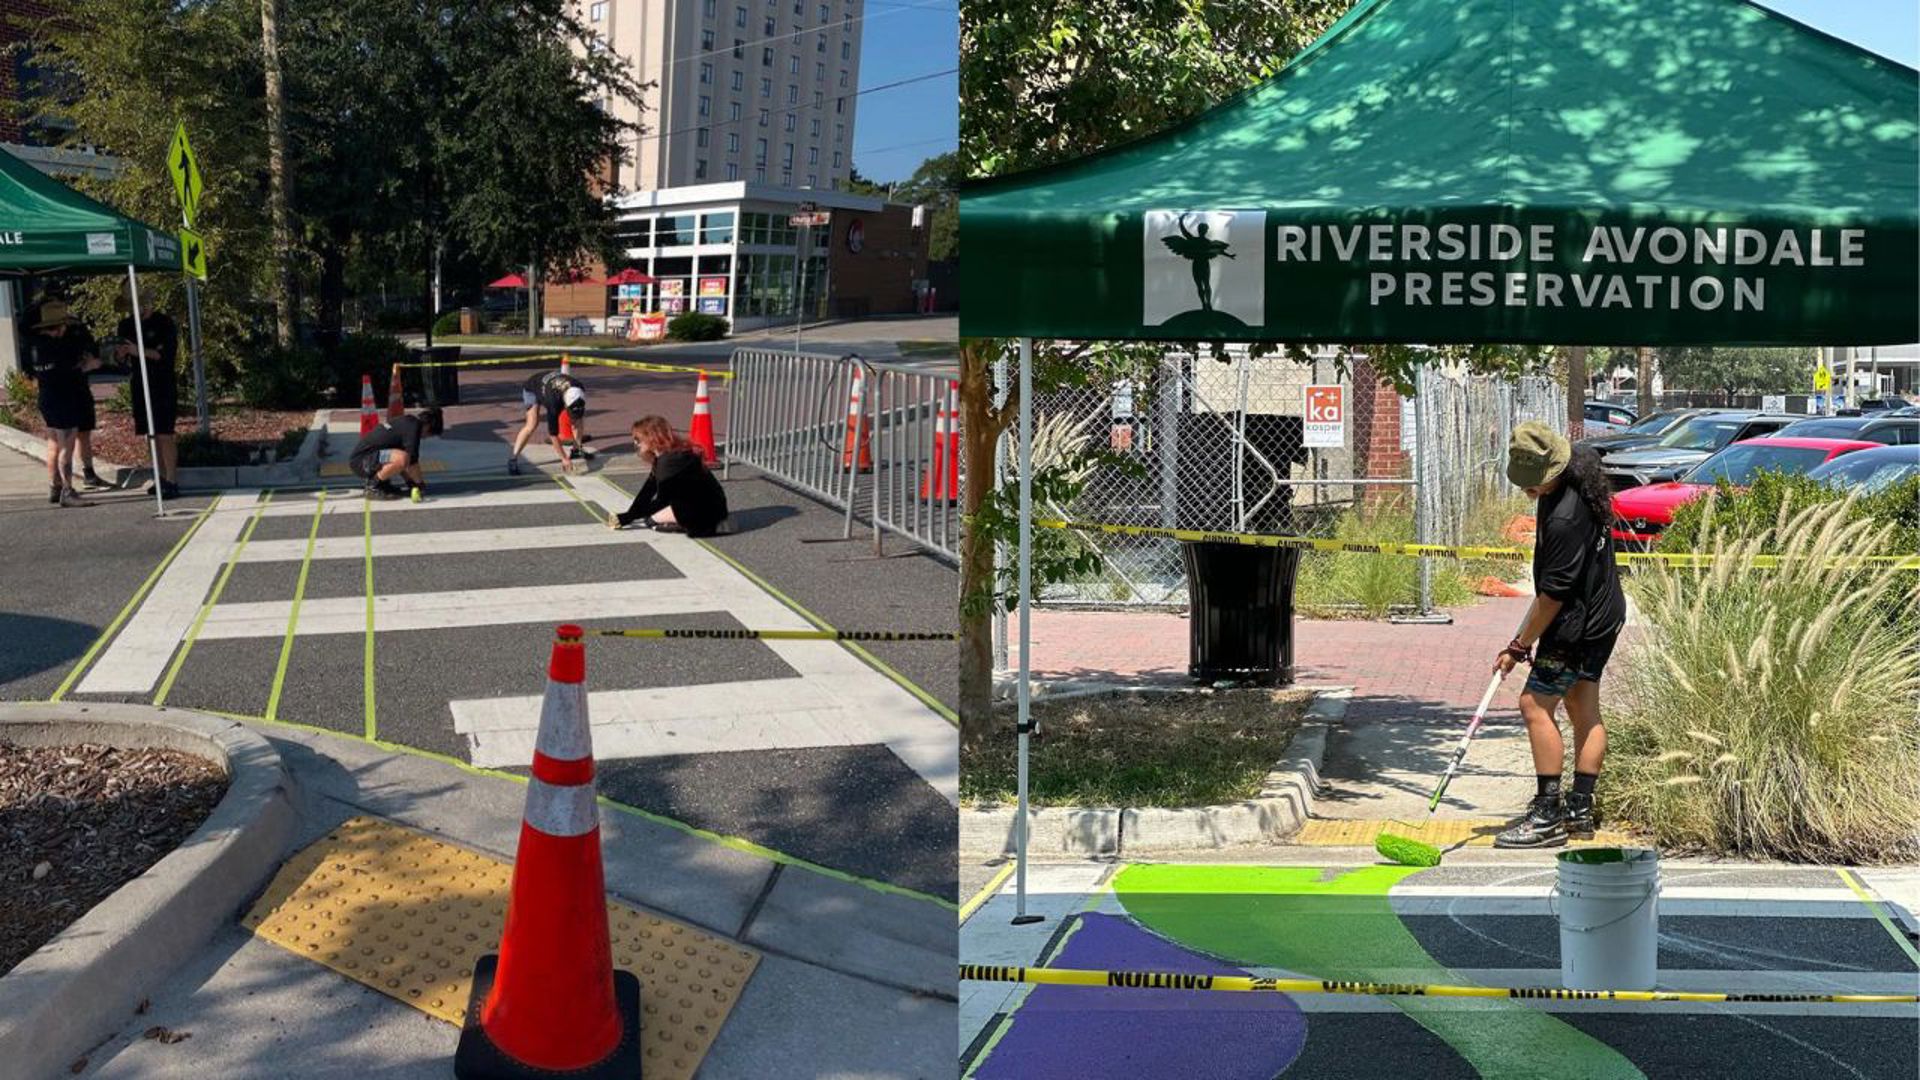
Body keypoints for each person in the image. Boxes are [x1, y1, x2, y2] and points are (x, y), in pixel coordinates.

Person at [1493, 422, 1628, 849]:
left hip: (1577, 623)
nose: (1529, 491)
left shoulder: (1567, 516)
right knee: (1583, 705)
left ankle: (1548, 814)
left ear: (1553, 469)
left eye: (1534, 484)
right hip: (1604, 614)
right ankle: (1579, 811)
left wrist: (1518, 646)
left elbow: (1553, 596)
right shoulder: (1580, 465)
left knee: (1534, 705)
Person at [23, 301, 103, 507]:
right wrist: (89, 365)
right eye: (63, 325)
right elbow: (68, 371)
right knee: (67, 444)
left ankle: (54, 485)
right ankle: (67, 490)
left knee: (53, 443)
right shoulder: (58, 348)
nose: (66, 329)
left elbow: (36, 372)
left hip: (47, 397)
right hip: (63, 398)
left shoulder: (34, 346)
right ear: (57, 327)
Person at [607, 415, 729, 536]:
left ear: (651, 438)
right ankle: (709, 522)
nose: (636, 443)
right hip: (710, 503)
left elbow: (662, 500)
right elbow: (648, 490)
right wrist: (629, 516)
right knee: (648, 512)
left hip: (703, 509)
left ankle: (708, 525)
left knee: (650, 520)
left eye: (638, 439)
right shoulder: (666, 455)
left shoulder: (669, 462)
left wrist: (628, 517)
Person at [115, 288, 181, 497]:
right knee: (150, 434)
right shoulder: (126, 326)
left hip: (162, 383)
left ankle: (171, 479)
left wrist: (138, 351)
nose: (139, 310)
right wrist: (120, 354)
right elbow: (120, 358)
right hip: (139, 384)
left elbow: (163, 355)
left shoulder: (164, 324)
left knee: (164, 432)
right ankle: (159, 477)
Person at [508, 368, 591, 474]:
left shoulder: (578, 387)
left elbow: (578, 415)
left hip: (550, 386)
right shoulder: (553, 403)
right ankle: (513, 459)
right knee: (532, 424)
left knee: (577, 420)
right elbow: (553, 436)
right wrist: (564, 459)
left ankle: (576, 449)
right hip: (532, 388)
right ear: (565, 402)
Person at [350, 407, 443, 499]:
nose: (425, 438)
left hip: (366, 459)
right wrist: (420, 484)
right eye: (429, 435)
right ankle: (373, 486)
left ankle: (381, 483)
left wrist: (410, 482)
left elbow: (403, 465)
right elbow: (412, 462)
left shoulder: (408, 422)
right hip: (362, 462)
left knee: (402, 457)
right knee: (402, 458)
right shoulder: (413, 428)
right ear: (428, 426)